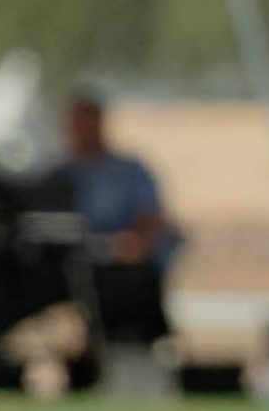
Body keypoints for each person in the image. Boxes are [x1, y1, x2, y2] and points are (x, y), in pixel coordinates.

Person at [53, 93, 176, 346]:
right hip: (68, 261)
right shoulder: (57, 175)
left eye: (87, 122)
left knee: (132, 283)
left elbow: (151, 218)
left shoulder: (129, 171)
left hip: (119, 261)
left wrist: (133, 242)